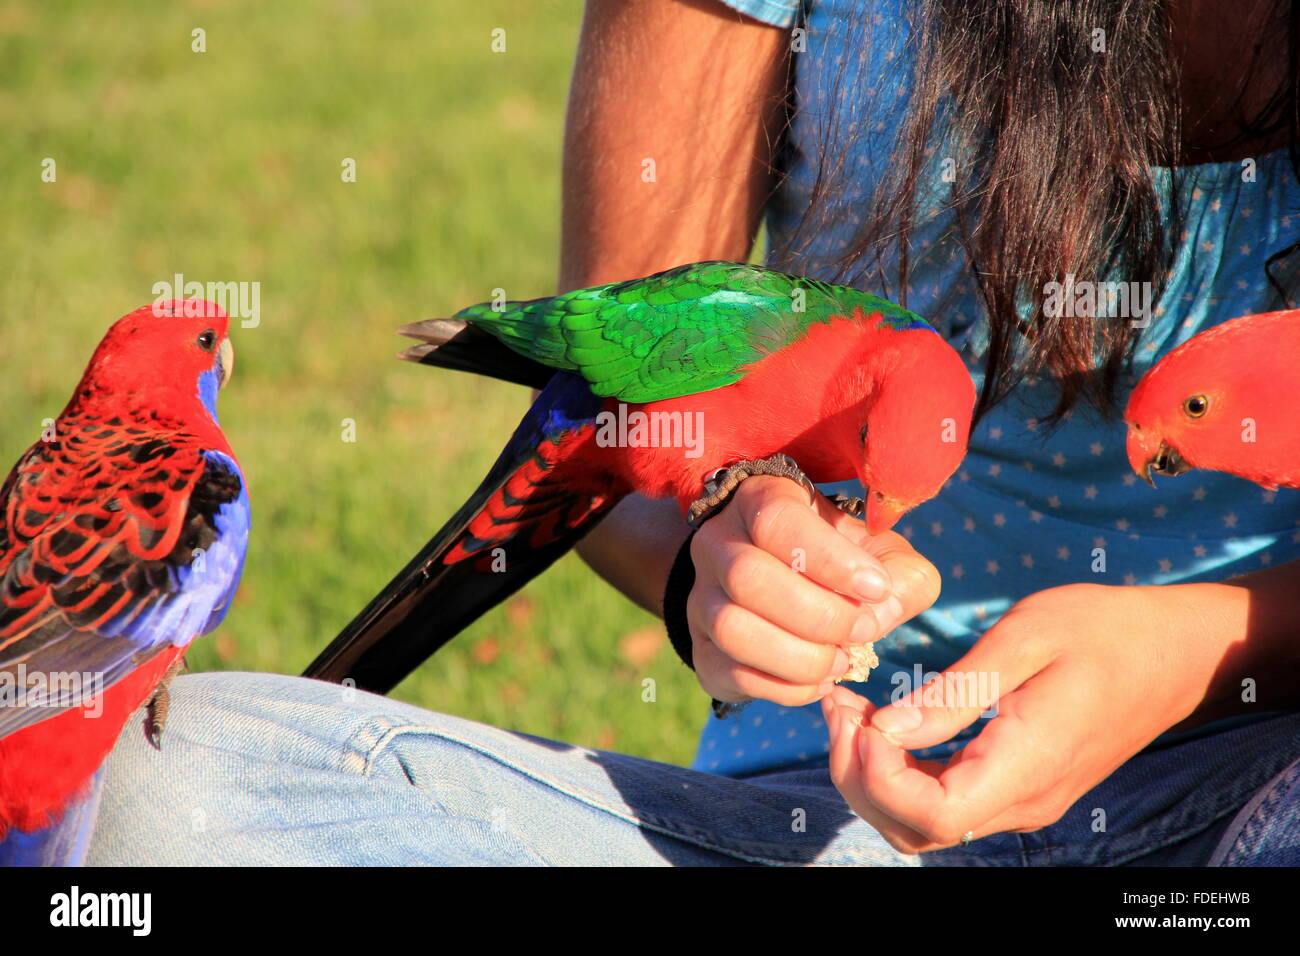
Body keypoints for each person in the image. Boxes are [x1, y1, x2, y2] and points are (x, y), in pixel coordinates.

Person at [90, 0, 1300, 865]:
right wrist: (721, 561)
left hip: (1264, 785)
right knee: (150, 792)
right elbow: (623, 453)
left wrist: (1194, 648)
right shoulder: (773, 341)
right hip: (817, 824)